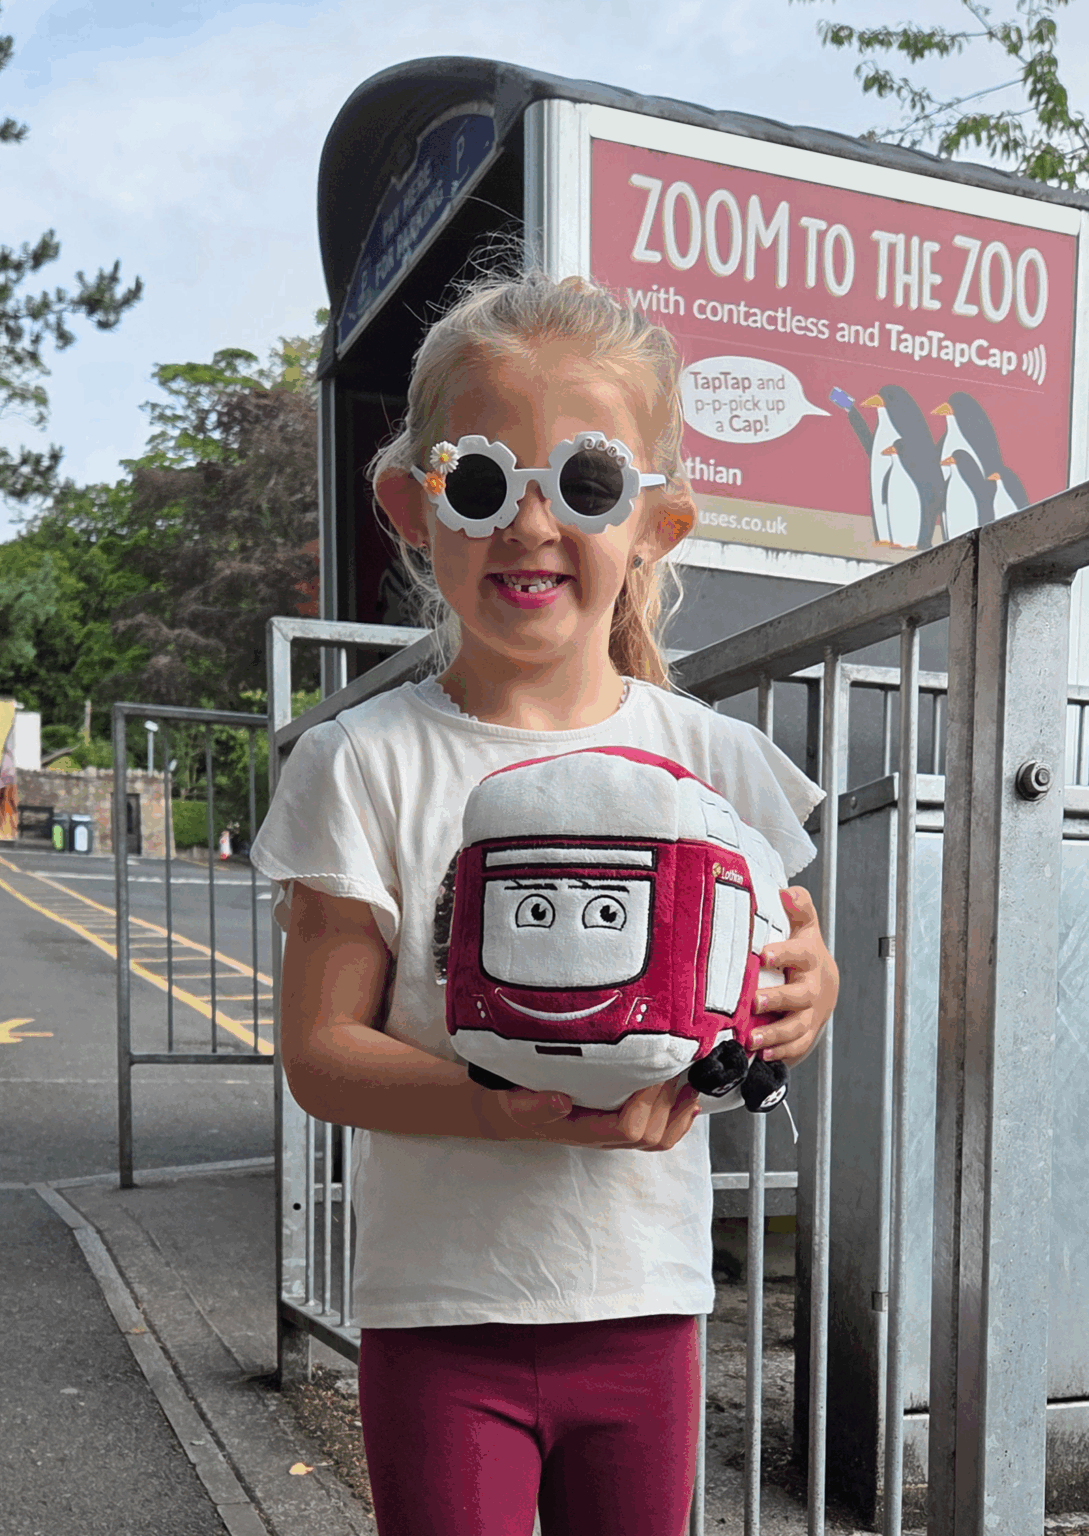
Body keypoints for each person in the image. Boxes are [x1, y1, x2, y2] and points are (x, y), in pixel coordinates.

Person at [252, 270, 839, 1536]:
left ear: (655, 522)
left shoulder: (717, 761)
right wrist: (506, 1115)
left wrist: (807, 997)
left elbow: (785, 963)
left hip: (646, 1299)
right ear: (414, 509)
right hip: (440, 1310)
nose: (528, 525)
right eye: (478, 483)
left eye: (583, 484)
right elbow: (320, 1053)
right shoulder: (361, 762)